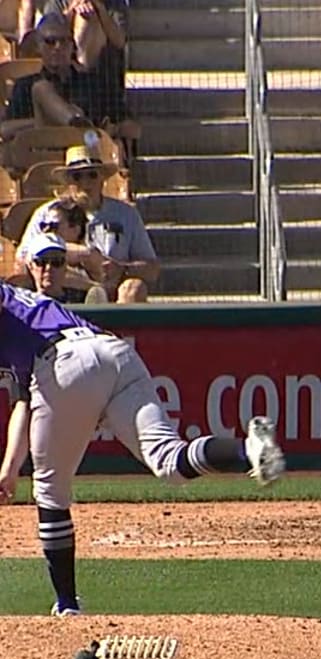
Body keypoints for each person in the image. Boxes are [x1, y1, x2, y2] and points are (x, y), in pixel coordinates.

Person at [0, 278, 285, 616]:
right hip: (112, 350)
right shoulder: (22, 306)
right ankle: (248, 449)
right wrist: (10, 469)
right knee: (169, 461)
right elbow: (24, 401)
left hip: (63, 361)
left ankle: (67, 605)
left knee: (50, 492)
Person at [22, 143, 157, 303]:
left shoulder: (126, 215)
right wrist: (84, 254)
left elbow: (152, 269)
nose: (85, 183)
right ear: (68, 181)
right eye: (77, 176)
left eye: (92, 175)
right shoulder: (47, 214)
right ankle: (93, 291)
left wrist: (122, 268)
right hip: (60, 292)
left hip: (113, 295)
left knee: (134, 288)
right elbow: (23, 259)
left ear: (102, 178)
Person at [0, 13, 126, 143]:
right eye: (50, 42)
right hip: (42, 151)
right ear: (38, 46)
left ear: (72, 46)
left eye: (64, 41)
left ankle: (78, 125)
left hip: (86, 148)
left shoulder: (93, 84)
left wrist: (114, 130)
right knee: (40, 88)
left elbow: (130, 125)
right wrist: (43, 121)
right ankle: (76, 122)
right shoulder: (25, 86)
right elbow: (5, 129)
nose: (58, 47)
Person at [15, 228, 107, 304]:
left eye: (57, 261)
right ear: (30, 265)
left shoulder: (82, 301)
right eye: (42, 261)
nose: (49, 268)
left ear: (65, 266)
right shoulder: (20, 302)